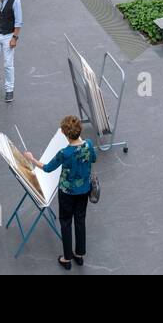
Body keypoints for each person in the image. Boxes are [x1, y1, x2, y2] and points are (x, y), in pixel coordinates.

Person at [23, 115, 96, 269]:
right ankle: (79, 254)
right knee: (80, 221)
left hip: (67, 193)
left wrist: (31, 159)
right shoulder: (88, 145)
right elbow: (93, 159)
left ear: (64, 133)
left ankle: (67, 258)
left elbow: (48, 168)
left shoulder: (65, 153)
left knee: (66, 222)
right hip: (84, 190)